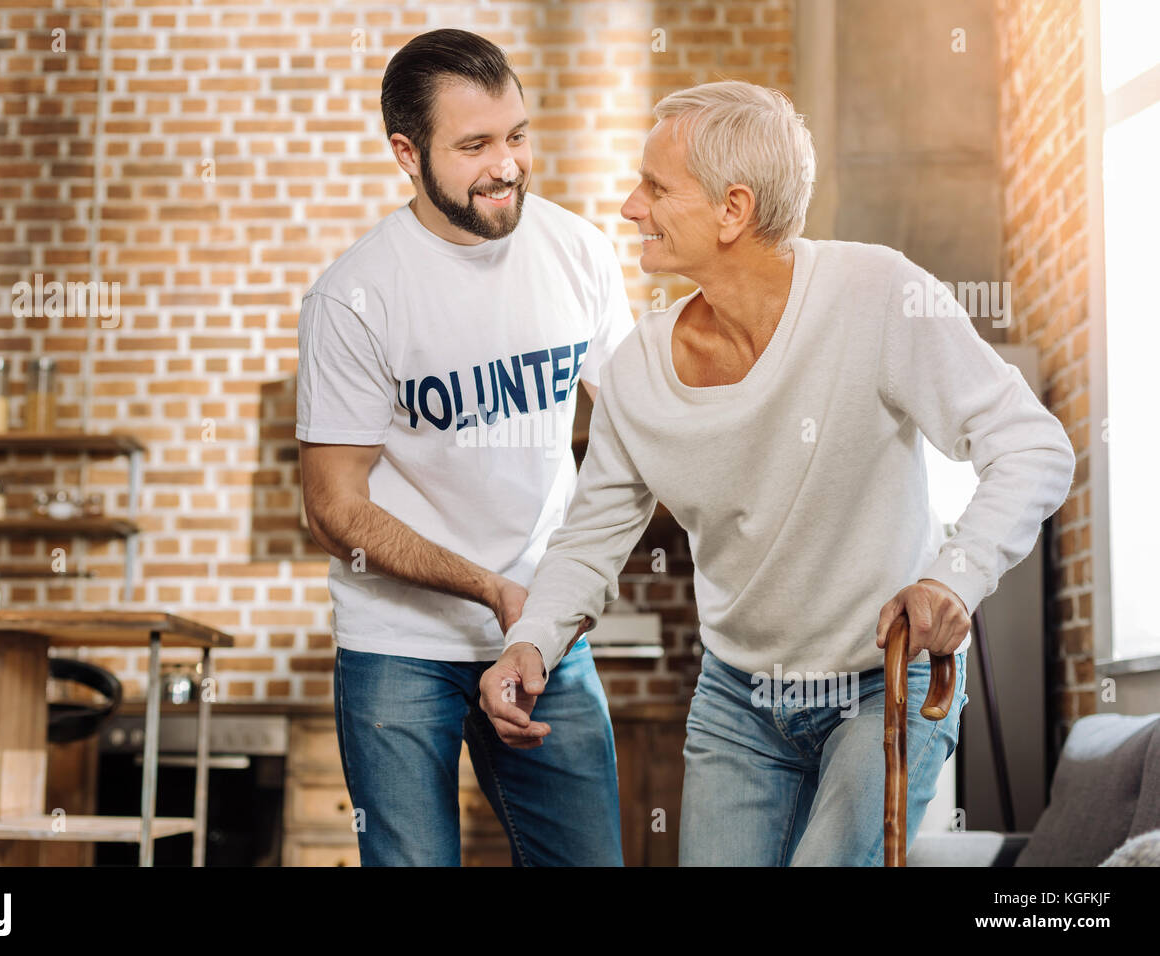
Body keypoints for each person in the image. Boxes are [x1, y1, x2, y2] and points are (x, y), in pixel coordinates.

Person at [478, 80, 1076, 866]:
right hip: (738, 702)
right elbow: (589, 543)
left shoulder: (876, 296)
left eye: (656, 187)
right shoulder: (637, 374)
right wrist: (530, 642)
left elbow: (1033, 446)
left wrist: (953, 580)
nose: (630, 206)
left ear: (733, 209)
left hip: (882, 685)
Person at [296, 29, 633, 866]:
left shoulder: (581, 253)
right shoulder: (355, 297)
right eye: (475, 144)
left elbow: (642, 429)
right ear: (407, 154)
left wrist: (551, 597)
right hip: (398, 643)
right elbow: (334, 507)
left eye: (517, 135)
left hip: (543, 631)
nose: (507, 164)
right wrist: (490, 588)